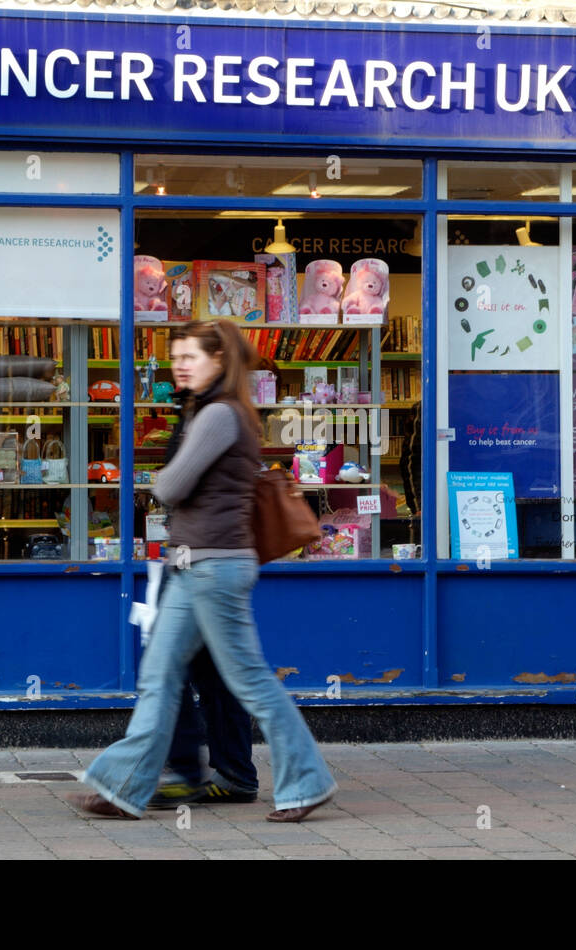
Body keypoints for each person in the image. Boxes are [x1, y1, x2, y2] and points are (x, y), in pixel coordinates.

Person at [70, 319, 337, 822]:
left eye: (189, 356)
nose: (179, 365)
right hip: (193, 565)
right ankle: (122, 787)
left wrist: (165, 476)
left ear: (218, 359)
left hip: (216, 568)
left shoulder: (218, 414)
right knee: (159, 677)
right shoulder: (211, 409)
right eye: (175, 357)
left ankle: (307, 783)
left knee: (249, 680)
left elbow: (170, 487)